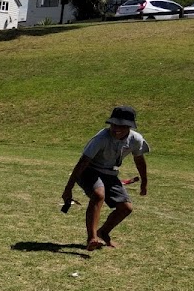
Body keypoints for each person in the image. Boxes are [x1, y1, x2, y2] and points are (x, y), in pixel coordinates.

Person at [62, 106, 149, 251]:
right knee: (98, 194)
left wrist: (144, 182)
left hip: (110, 173)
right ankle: (92, 237)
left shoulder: (136, 139)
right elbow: (83, 161)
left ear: (129, 126)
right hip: (88, 170)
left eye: (122, 126)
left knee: (125, 208)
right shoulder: (101, 138)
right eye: (114, 124)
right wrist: (68, 188)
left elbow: (139, 160)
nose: (116, 129)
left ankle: (103, 232)